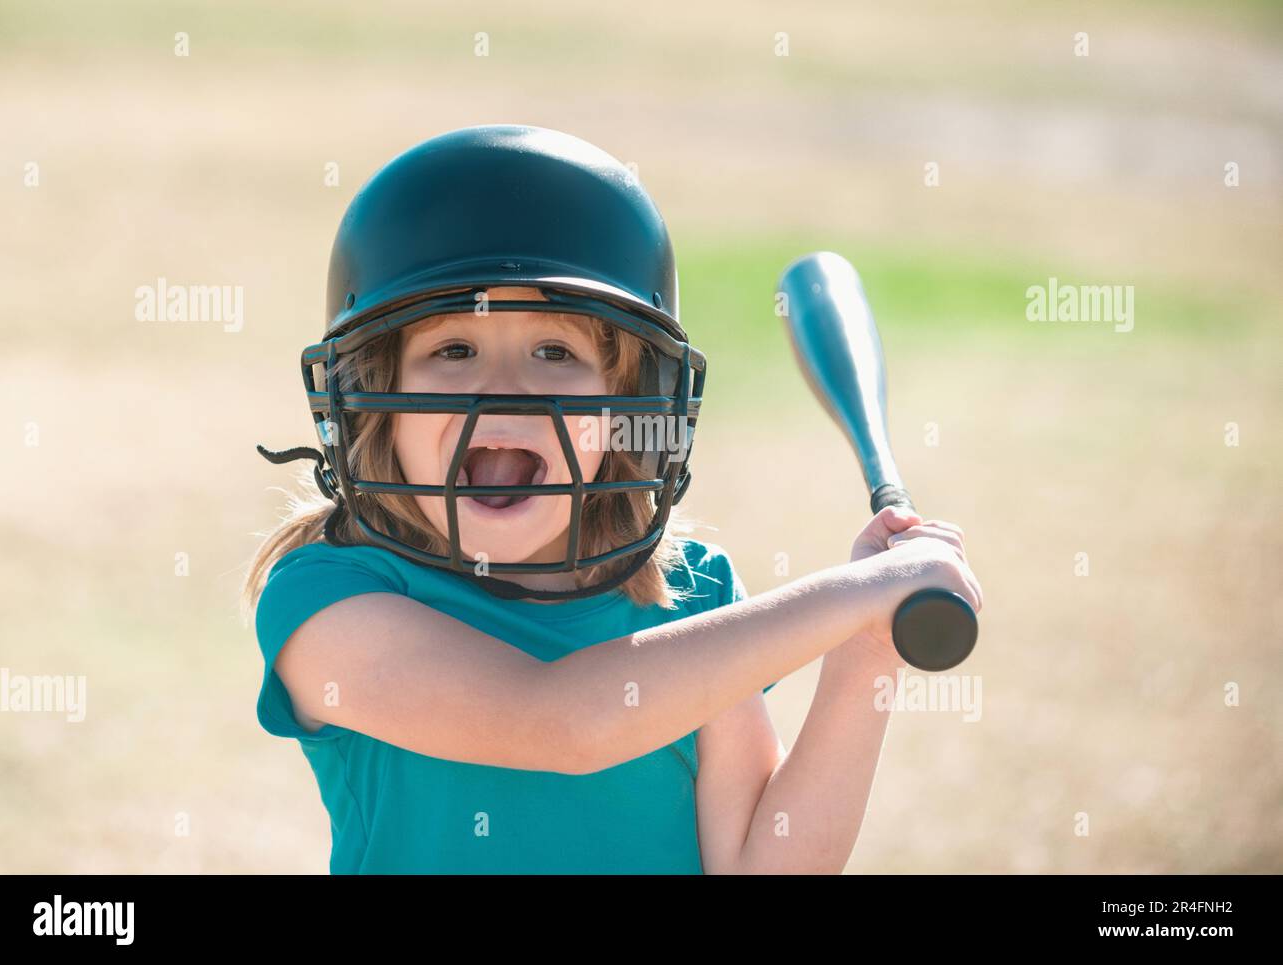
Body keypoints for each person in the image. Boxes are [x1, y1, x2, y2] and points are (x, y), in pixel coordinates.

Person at [242, 124, 981, 873]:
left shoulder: (691, 603)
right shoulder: (327, 597)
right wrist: (852, 592)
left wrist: (868, 644)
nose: (505, 393)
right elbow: (558, 721)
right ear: (374, 401)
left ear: (624, 404)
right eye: (453, 350)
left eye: (555, 352)